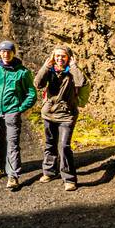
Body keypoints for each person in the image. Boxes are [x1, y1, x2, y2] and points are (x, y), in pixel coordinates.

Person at [0, 40, 37, 189]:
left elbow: (32, 94)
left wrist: (20, 108)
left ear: (13, 53)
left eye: (8, 51)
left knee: (12, 144)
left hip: (12, 111)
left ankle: (13, 176)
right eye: (3, 51)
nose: (5, 54)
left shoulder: (23, 72)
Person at [35, 46, 83, 191]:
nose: (60, 59)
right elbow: (38, 84)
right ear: (53, 57)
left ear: (69, 58)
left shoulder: (73, 72)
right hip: (49, 113)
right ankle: (49, 171)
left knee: (64, 146)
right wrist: (45, 66)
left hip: (67, 115)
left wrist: (73, 65)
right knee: (50, 143)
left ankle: (69, 178)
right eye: (57, 56)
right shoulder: (49, 70)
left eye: (63, 56)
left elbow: (80, 82)